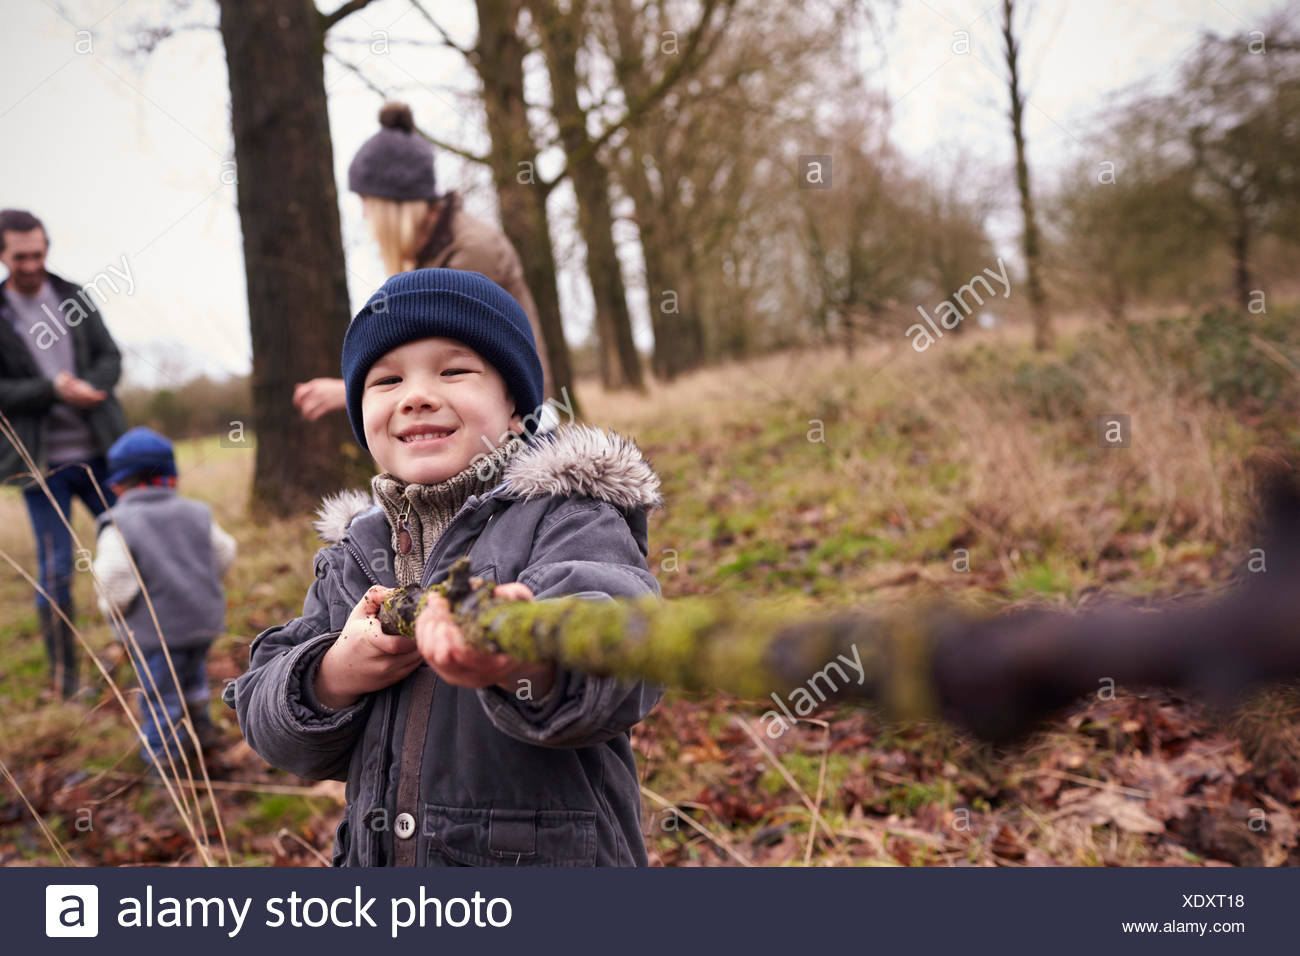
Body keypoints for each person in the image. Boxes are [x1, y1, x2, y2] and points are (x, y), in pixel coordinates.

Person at [230, 268, 663, 866]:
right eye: (386, 380)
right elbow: (267, 718)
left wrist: (524, 652)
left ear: (515, 407)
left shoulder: (568, 517)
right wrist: (336, 672)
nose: (416, 395)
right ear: (361, 417)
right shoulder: (354, 556)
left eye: (454, 371)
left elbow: (626, 645)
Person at [293, 101, 553, 422]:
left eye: (367, 201)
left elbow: (440, 359)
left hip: (517, 426)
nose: (364, 214)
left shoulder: (470, 253)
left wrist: (349, 390)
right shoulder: (436, 253)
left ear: (394, 206)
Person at [0, 208, 127, 699]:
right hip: (39, 464)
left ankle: (144, 648)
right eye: (20, 256)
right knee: (57, 569)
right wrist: (53, 389)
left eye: (38, 253)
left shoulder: (74, 296)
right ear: (4, 255)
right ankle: (66, 680)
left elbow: (110, 357)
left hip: (101, 454)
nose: (31, 264)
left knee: (134, 547)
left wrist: (90, 388)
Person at [92, 427, 236, 767]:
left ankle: (166, 765)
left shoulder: (120, 521)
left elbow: (113, 577)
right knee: (194, 683)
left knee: (160, 698)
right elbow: (225, 551)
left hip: (155, 635)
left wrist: (115, 615)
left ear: (117, 484)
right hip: (200, 625)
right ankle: (204, 739)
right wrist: (201, 582)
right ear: (172, 477)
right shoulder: (196, 512)